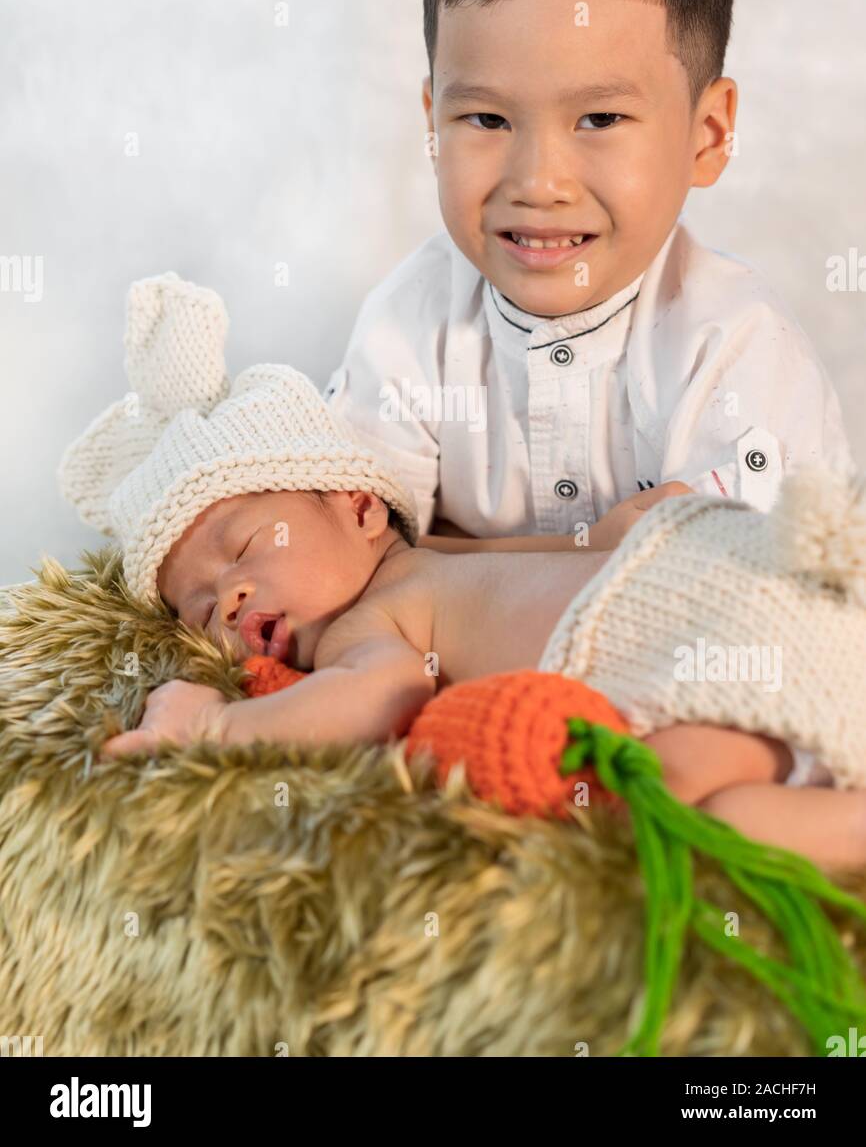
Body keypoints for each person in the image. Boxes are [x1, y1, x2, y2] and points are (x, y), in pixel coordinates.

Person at [58, 275, 866, 871]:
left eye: (242, 549)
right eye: (200, 610)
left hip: (691, 603)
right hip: (706, 646)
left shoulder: (378, 618)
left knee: (688, 811)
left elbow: (379, 694)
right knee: (697, 806)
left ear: (358, 505)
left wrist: (213, 728)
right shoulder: (398, 601)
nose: (227, 600)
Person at [322, 0, 855, 552]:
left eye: (599, 118)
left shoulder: (734, 352)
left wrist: (444, 559)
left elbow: (744, 611)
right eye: (487, 118)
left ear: (707, 135)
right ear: (432, 122)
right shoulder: (407, 331)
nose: (538, 182)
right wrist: (590, 556)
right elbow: (342, 575)